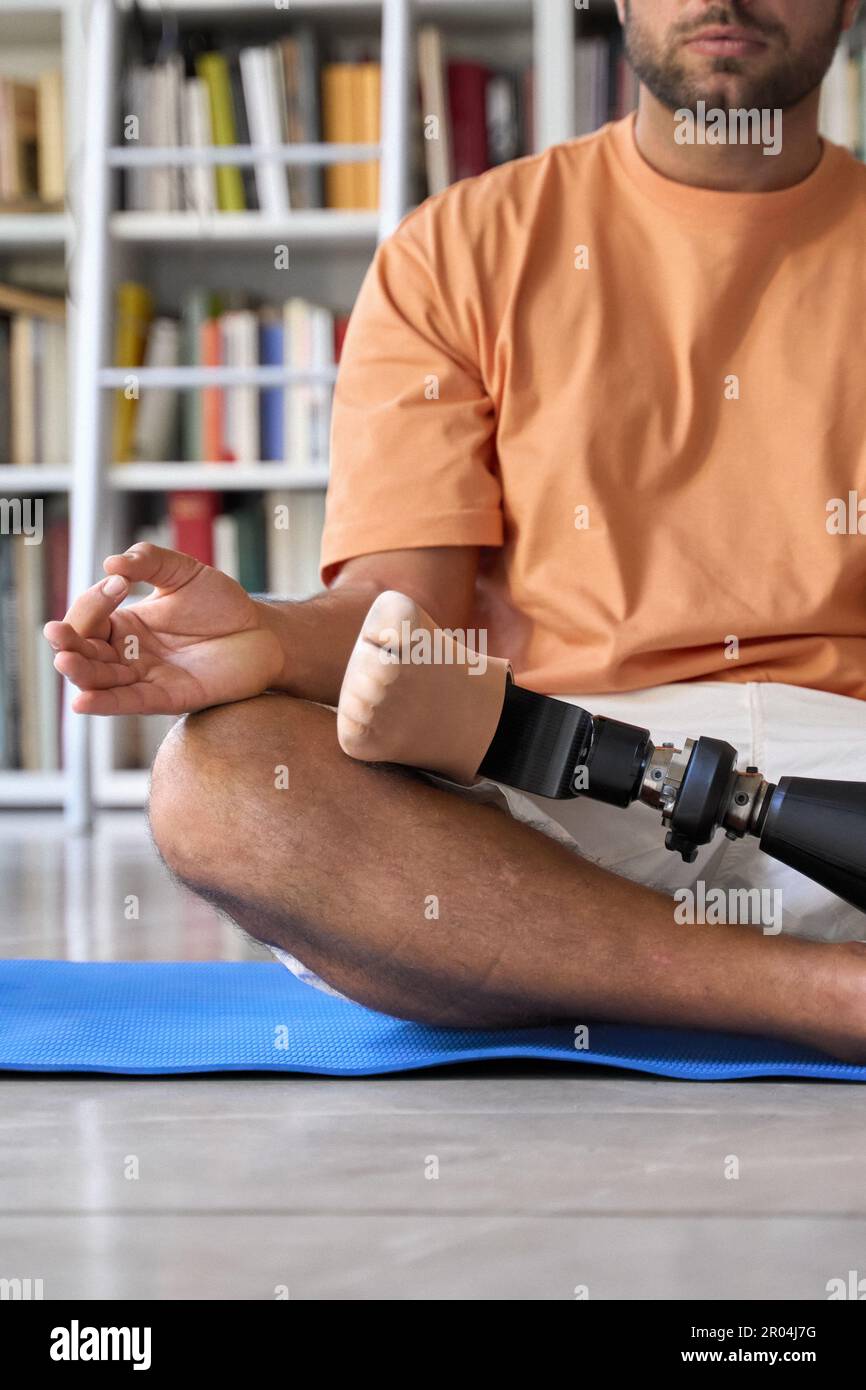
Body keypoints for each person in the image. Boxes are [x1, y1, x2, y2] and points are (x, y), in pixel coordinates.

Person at [47, 0, 866, 1061]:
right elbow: (403, 619)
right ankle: (824, 1000)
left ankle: (608, 977)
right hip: (561, 783)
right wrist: (269, 639)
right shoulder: (457, 248)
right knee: (224, 779)